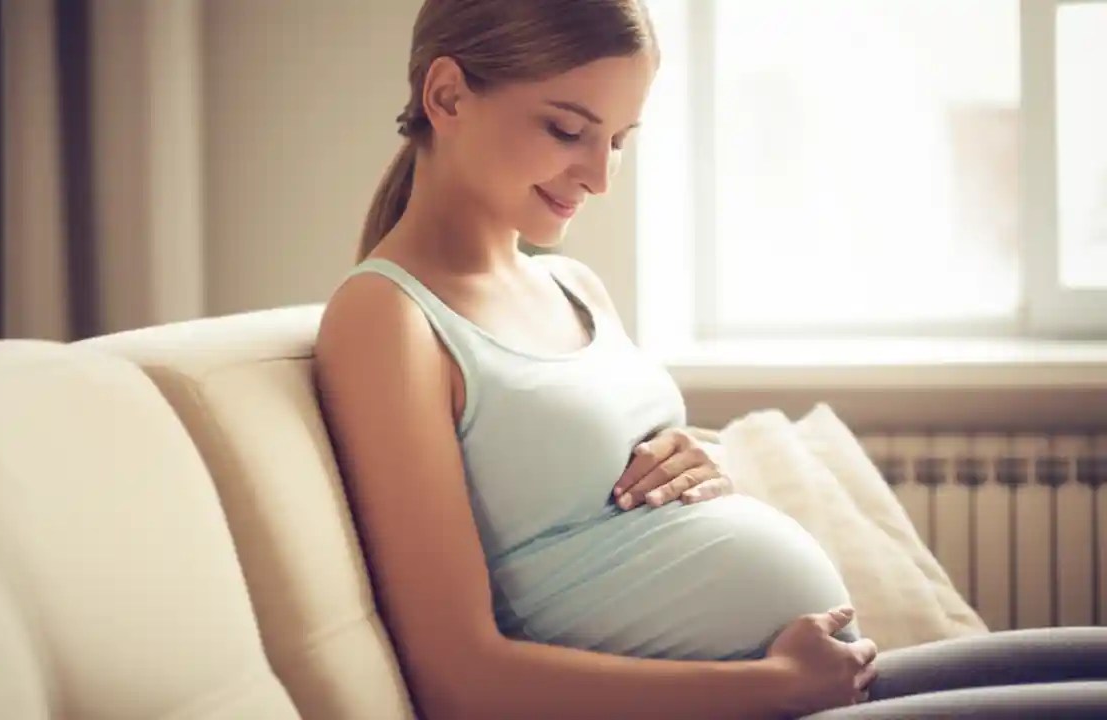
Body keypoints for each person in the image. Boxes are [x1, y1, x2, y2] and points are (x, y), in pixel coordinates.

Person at [313, 1, 1107, 718]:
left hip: (809, 686)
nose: (599, 176)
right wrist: (773, 686)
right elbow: (458, 679)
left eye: (618, 140)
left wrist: (698, 463)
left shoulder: (573, 285)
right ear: (448, 96)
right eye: (566, 130)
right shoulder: (389, 318)